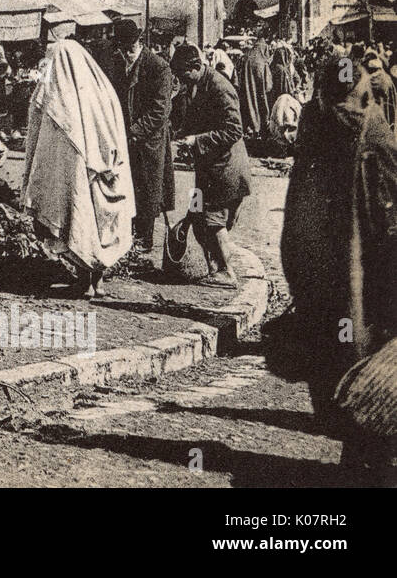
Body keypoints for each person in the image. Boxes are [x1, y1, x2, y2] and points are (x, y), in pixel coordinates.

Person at [280, 52, 397, 484]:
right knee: (376, 373)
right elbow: (390, 222)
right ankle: (374, 461)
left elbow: (297, 213)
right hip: (368, 281)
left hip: (323, 281)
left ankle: (355, 456)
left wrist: (299, 274)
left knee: (337, 368)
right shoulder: (376, 134)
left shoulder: (315, 129)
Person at [22, 39, 135, 298]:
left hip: (78, 174)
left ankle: (85, 281)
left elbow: (42, 134)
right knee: (97, 223)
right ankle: (98, 281)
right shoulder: (102, 89)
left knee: (79, 218)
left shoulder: (58, 99)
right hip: (106, 172)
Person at [170, 43, 252, 289]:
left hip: (224, 168)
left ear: (196, 67)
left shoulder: (219, 86)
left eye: (183, 75)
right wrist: (184, 137)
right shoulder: (198, 85)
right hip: (207, 168)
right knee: (197, 213)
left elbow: (233, 129)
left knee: (212, 219)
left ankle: (226, 272)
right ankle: (213, 269)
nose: (180, 81)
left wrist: (197, 141)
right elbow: (199, 121)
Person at [113, 20, 174, 250]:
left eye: (129, 49)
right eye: (123, 49)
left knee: (149, 189)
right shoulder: (120, 65)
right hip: (129, 138)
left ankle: (145, 240)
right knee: (129, 186)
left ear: (138, 43)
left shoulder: (158, 67)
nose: (126, 54)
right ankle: (131, 237)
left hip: (150, 142)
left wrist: (135, 132)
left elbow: (160, 111)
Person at [237, 38, 273, 136]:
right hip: (261, 93)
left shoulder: (245, 57)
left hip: (246, 91)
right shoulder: (263, 62)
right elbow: (268, 86)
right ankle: (261, 130)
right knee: (261, 108)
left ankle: (251, 128)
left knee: (249, 107)